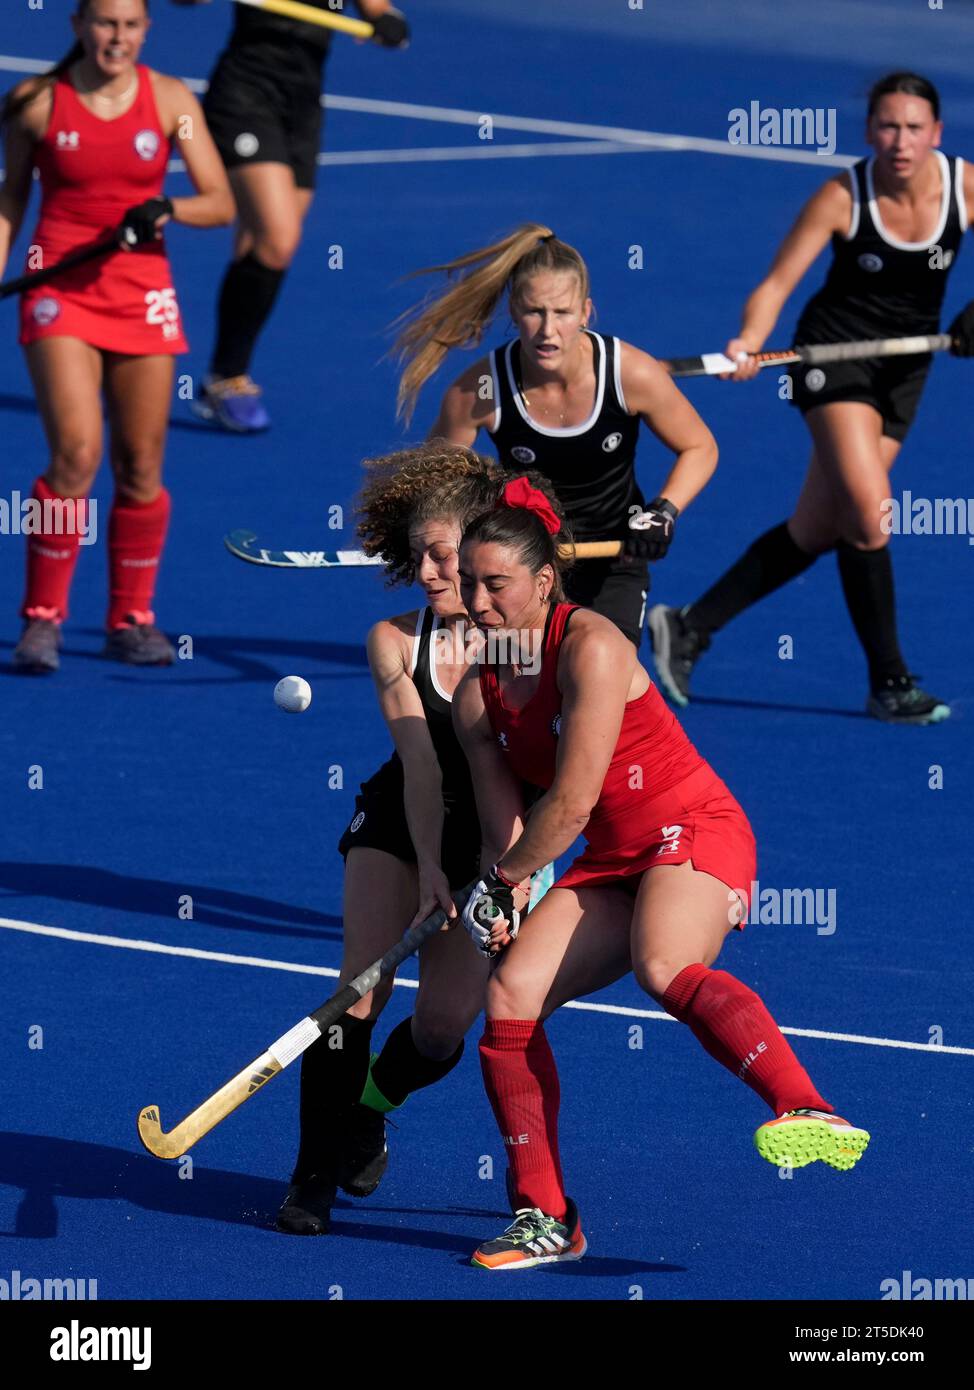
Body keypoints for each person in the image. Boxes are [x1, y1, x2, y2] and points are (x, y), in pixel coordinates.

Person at [452, 476, 869, 1270]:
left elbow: (569, 803)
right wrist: (499, 894)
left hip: (692, 829)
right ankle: (545, 1215)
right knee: (508, 994)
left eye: (495, 584)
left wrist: (509, 878)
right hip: (612, 858)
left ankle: (808, 1107)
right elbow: (505, 824)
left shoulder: (594, 648)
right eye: (470, 582)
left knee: (663, 963)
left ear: (544, 582)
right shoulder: (481, 691)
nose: (476, 600)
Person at [650, 71, 974, 725]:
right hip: (831, 360)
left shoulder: (964, 185)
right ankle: (890, 683)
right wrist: (747, 340)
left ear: (936, 133)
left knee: (819, 527)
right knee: (870, 511)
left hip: (905, 370)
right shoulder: (841, 196)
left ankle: (687, 626)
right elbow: (776, 285)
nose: (900, 141)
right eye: (888, 126)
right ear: (869, 131)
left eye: (914, 128)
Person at [277, 442, 531, 1236]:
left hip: (497, 833)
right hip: (402, 819)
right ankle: (310, 1181)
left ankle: (370, 1110)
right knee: (358, 991)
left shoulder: (526, 643)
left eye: (444, 555)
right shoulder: (394, 641)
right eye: (419, 554)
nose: (426, 570)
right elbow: (421, 767)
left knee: (443, 1026)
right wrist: (429, 866)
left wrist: (504, 869)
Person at [0, 0, 233, 674]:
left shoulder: (169, 100)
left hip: (141, 294)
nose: (118, 38)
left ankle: (131, 618)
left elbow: (219, 201)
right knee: (75, 453)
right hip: (58, 287)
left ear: (147, 31)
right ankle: (42, 618)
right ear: (77, 24)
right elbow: (11, 197)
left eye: (131, 25)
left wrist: (168, 206)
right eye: (105, 23)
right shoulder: (36, 102)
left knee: (140, 465)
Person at [393, 224, 718, 647]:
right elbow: (435, 486)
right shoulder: (478, 391)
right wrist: (448, 549)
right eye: (534, 311)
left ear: (585, 312)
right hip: (521, 565)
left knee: (604, 679)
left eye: (562, 313)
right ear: (513, 311)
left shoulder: (630, 374)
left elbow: (700, 447)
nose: (548, 330)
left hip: (614, 558)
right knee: (522, 691)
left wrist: (664, 511)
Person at [170, 0, 409, 431]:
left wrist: (389, 22)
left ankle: (221, 380)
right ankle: (228, 377)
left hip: (302, 104)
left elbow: (377, 10)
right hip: (244, 94)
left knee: (259, 242)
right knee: (279, 239)